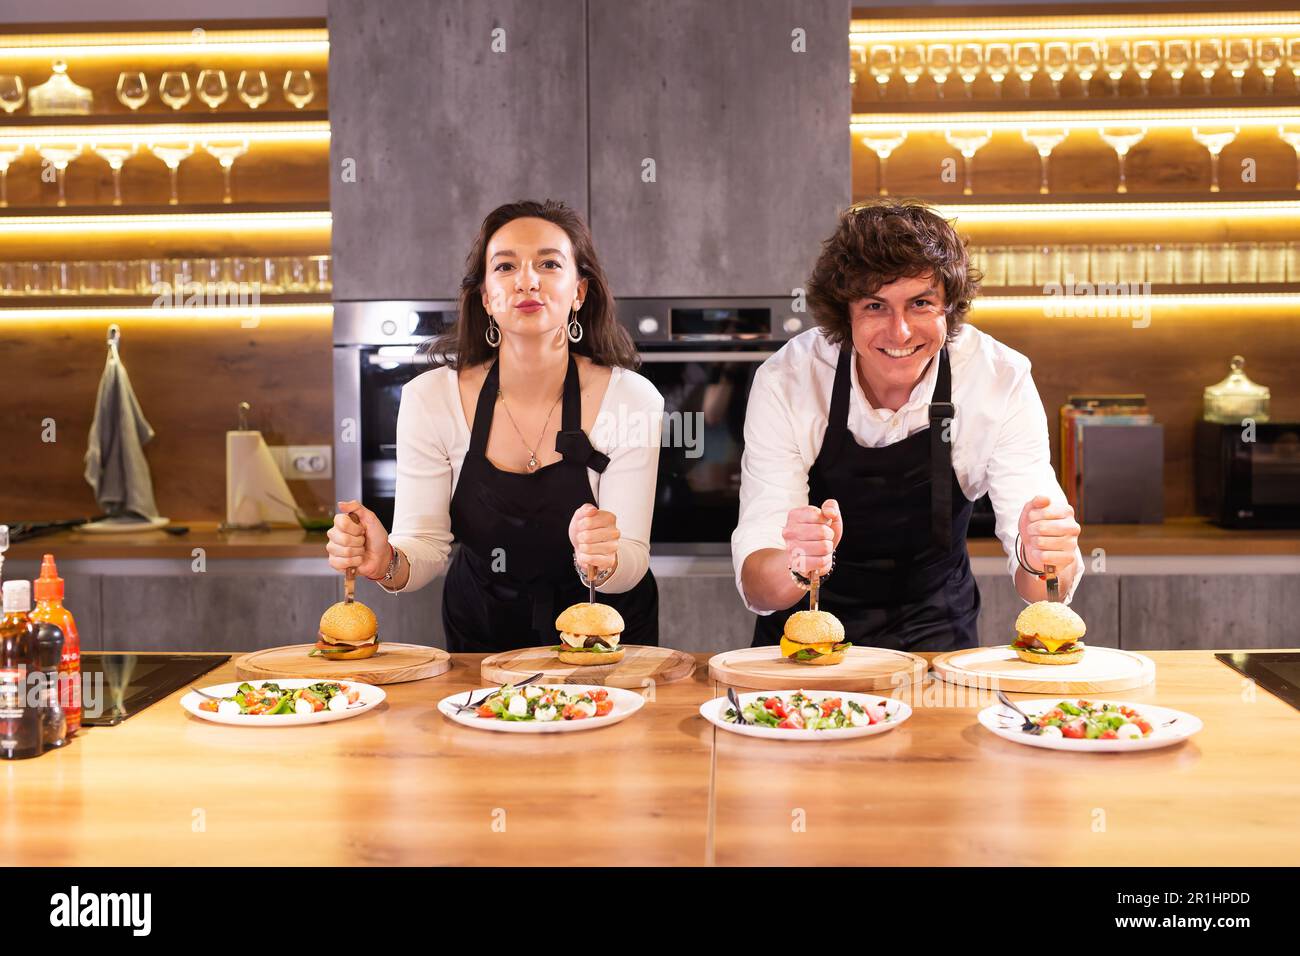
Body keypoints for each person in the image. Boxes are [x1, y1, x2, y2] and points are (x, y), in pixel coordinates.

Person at [733, 199, 1083, 652]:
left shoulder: (998, 379)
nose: (899, 333)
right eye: (875, 306)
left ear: (949, 308)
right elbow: (760, 585)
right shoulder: (789, 380)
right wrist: (798, 565)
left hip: (937, 633)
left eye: (921, 303)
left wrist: (1044, 559)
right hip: (807, 640)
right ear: (846, 315)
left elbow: (1041, 582)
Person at [327, 199, 663, 652]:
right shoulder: (430, 399)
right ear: (485, 296)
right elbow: (424, 545)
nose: (527, 280)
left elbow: (632, 560)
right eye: (505, 266)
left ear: (579, 292)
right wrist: (385, 560)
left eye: (548, 263)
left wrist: (601, 560)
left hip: (606, 636)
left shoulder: (632, 399)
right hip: (481, 629)